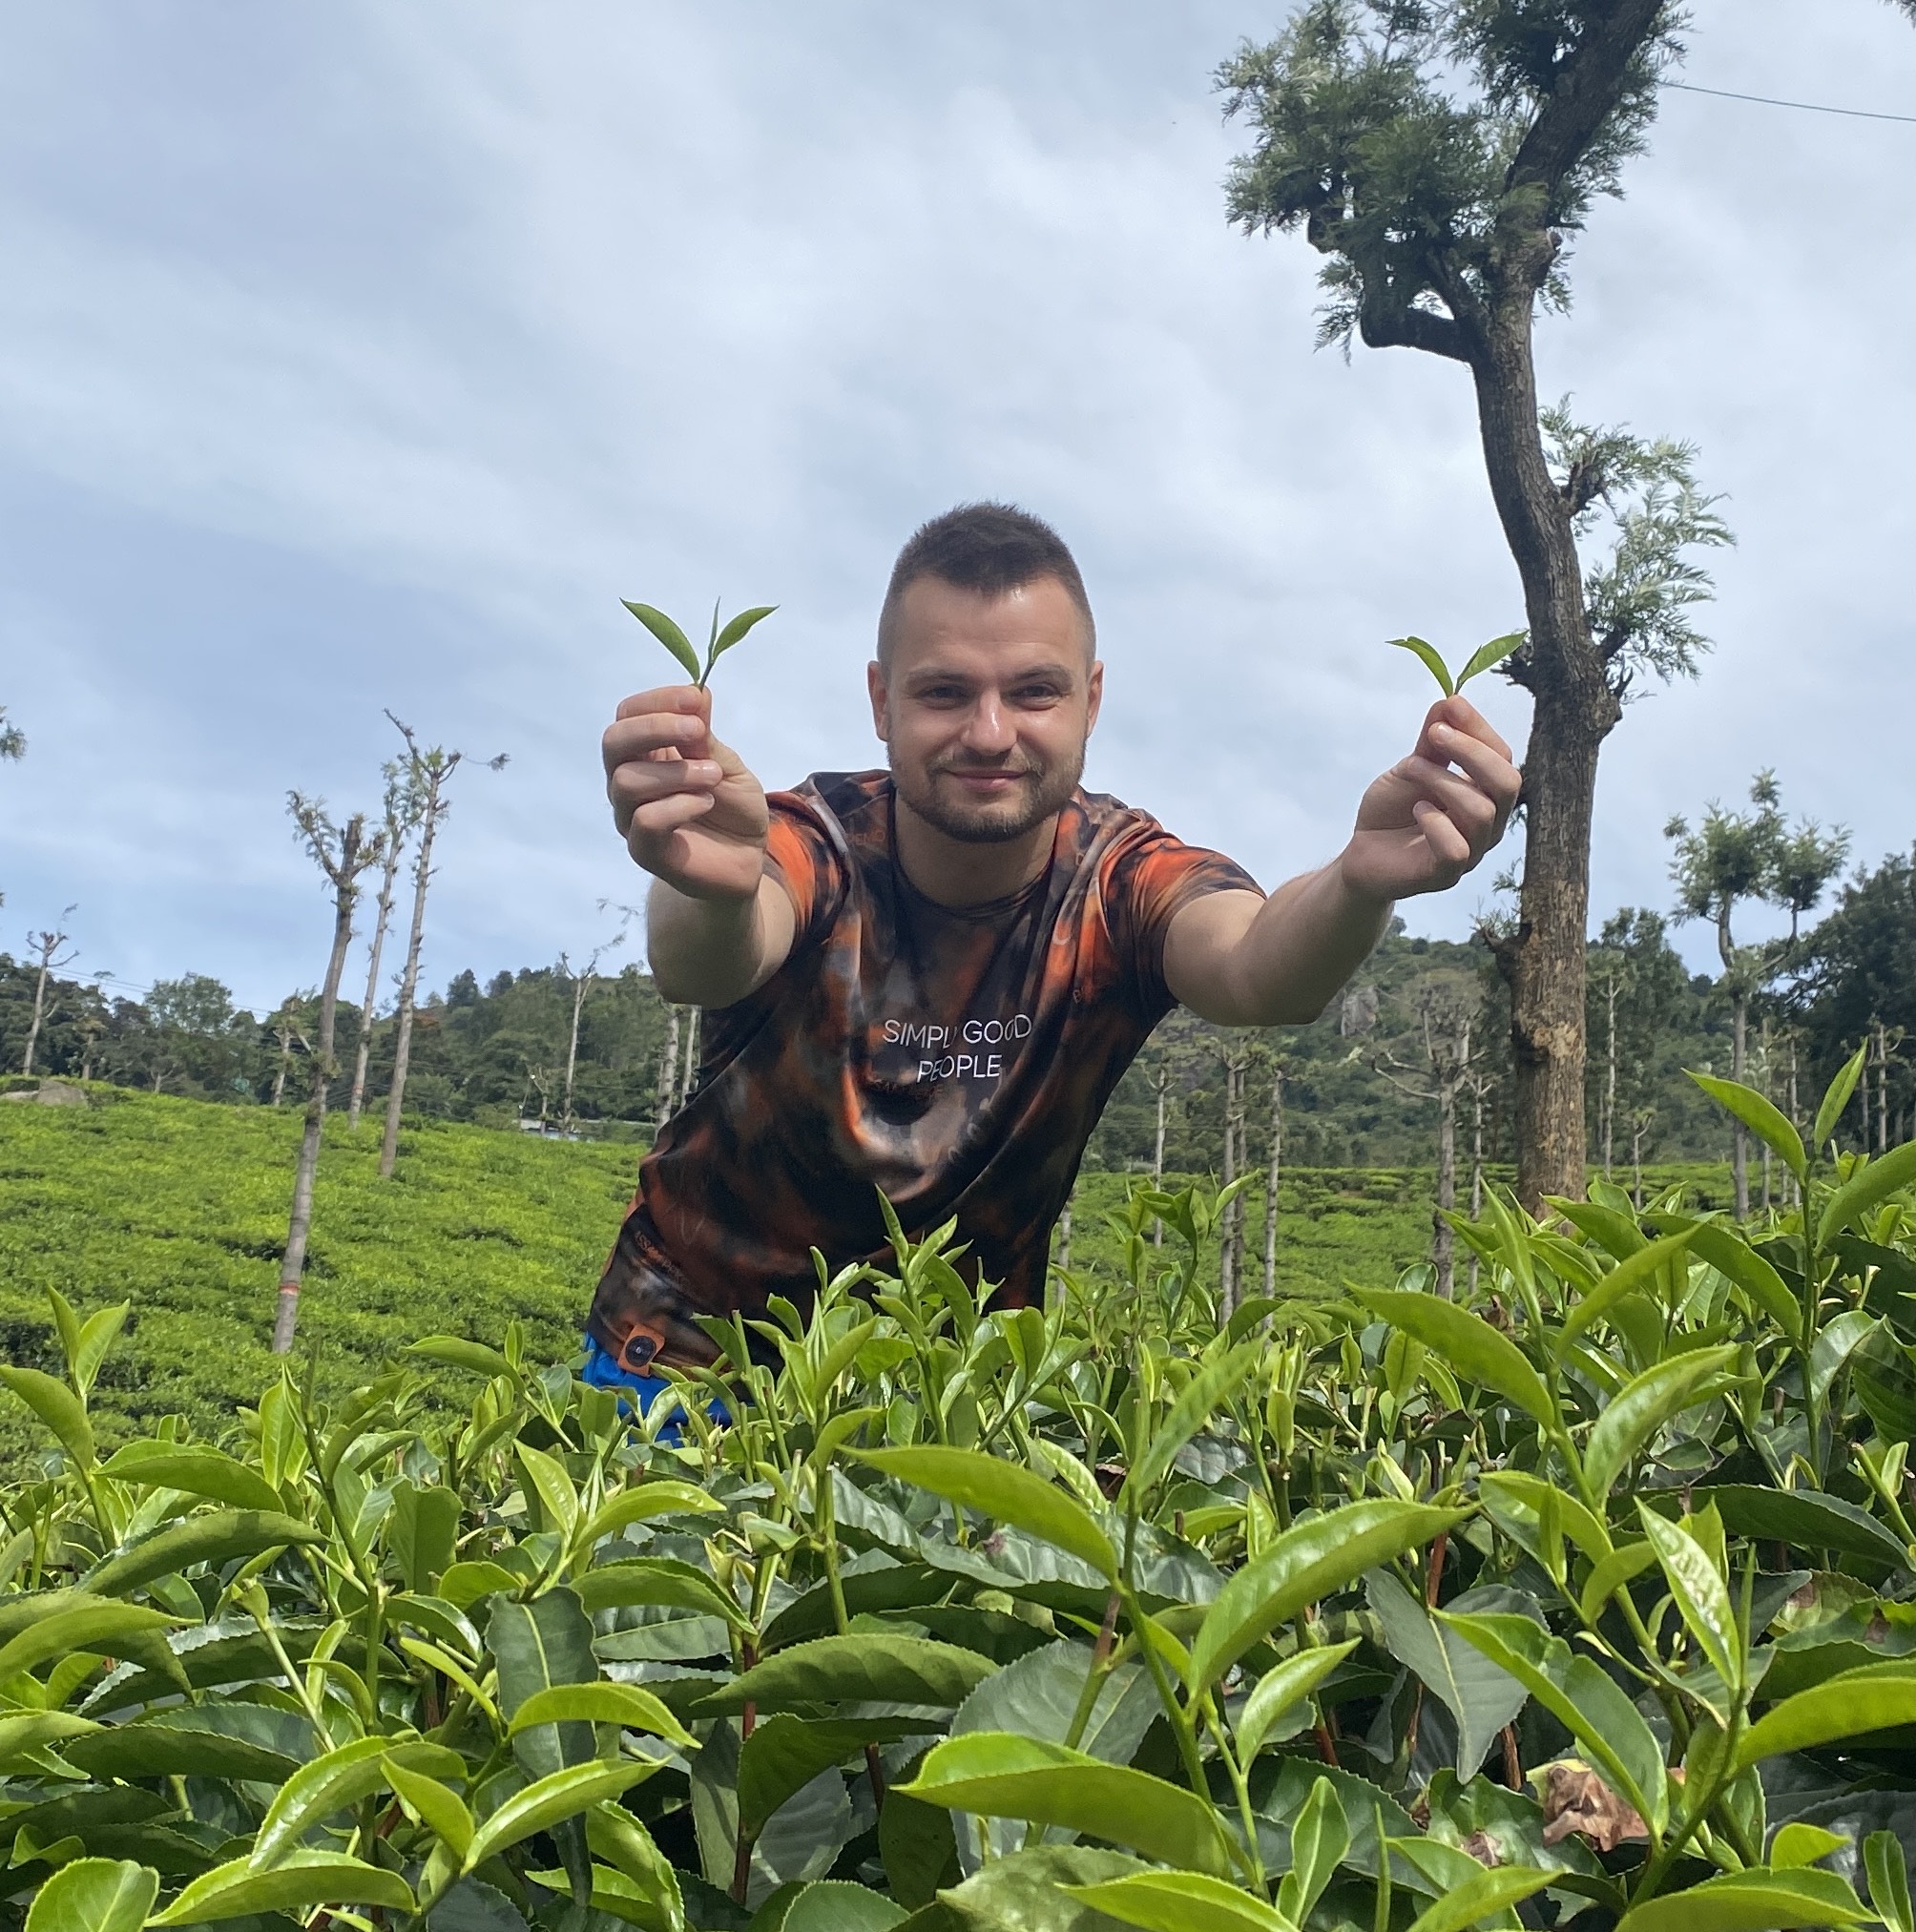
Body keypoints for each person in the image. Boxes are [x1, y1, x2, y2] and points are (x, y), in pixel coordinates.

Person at [584, 503, 1519, 1410]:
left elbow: (1252, 965)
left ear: (1091, 699)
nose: (989, 734)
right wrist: (708, 884)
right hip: (681, 1372)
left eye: (1033, 691)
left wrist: (1361, 879)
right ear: (881, 700)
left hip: (947, 1401)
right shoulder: (818, 839)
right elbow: (712, 953)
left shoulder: (1119, 877)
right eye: (943, 691)